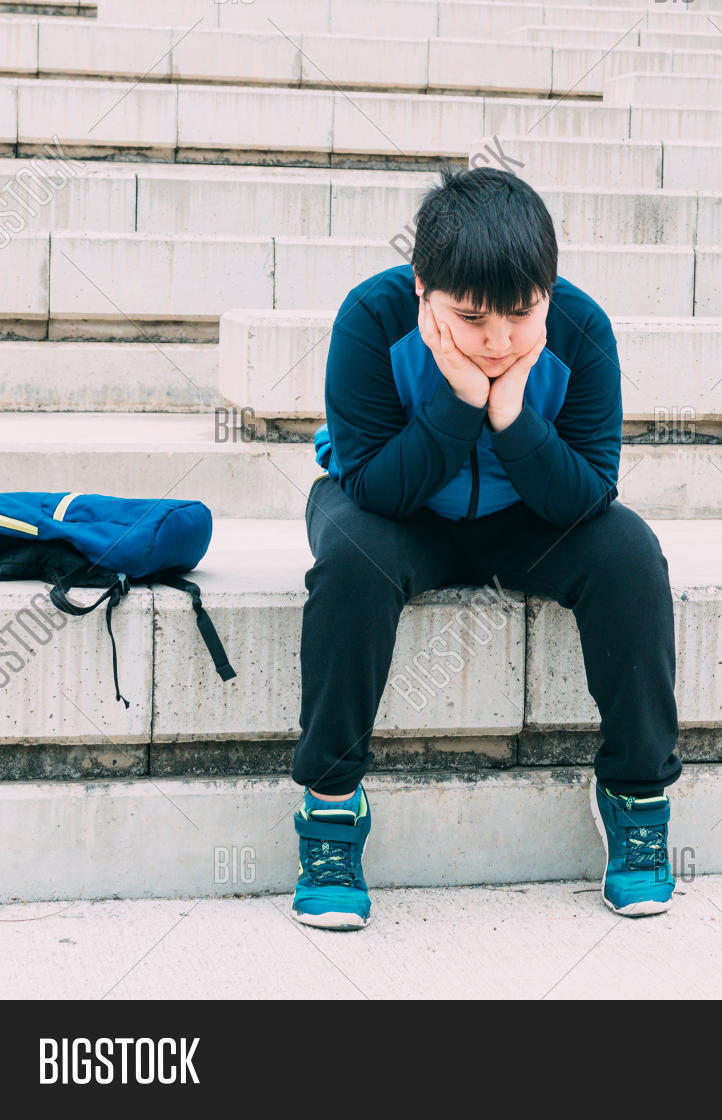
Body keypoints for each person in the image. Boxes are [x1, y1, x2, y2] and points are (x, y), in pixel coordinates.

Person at [287, 166, 681, 930]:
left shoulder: (582, 329)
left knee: (631, 554)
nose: (500, 341)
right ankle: (331, 810)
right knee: (350, 562)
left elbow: (588, 495)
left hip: (529, 518)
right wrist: (461, 397)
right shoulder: (370, 320)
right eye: (472, 320)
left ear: (548, 288)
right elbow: (372, 485)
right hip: (394, 509)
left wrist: (511, 414)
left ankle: (637, 795)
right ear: (422, 290)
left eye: (520, 315)